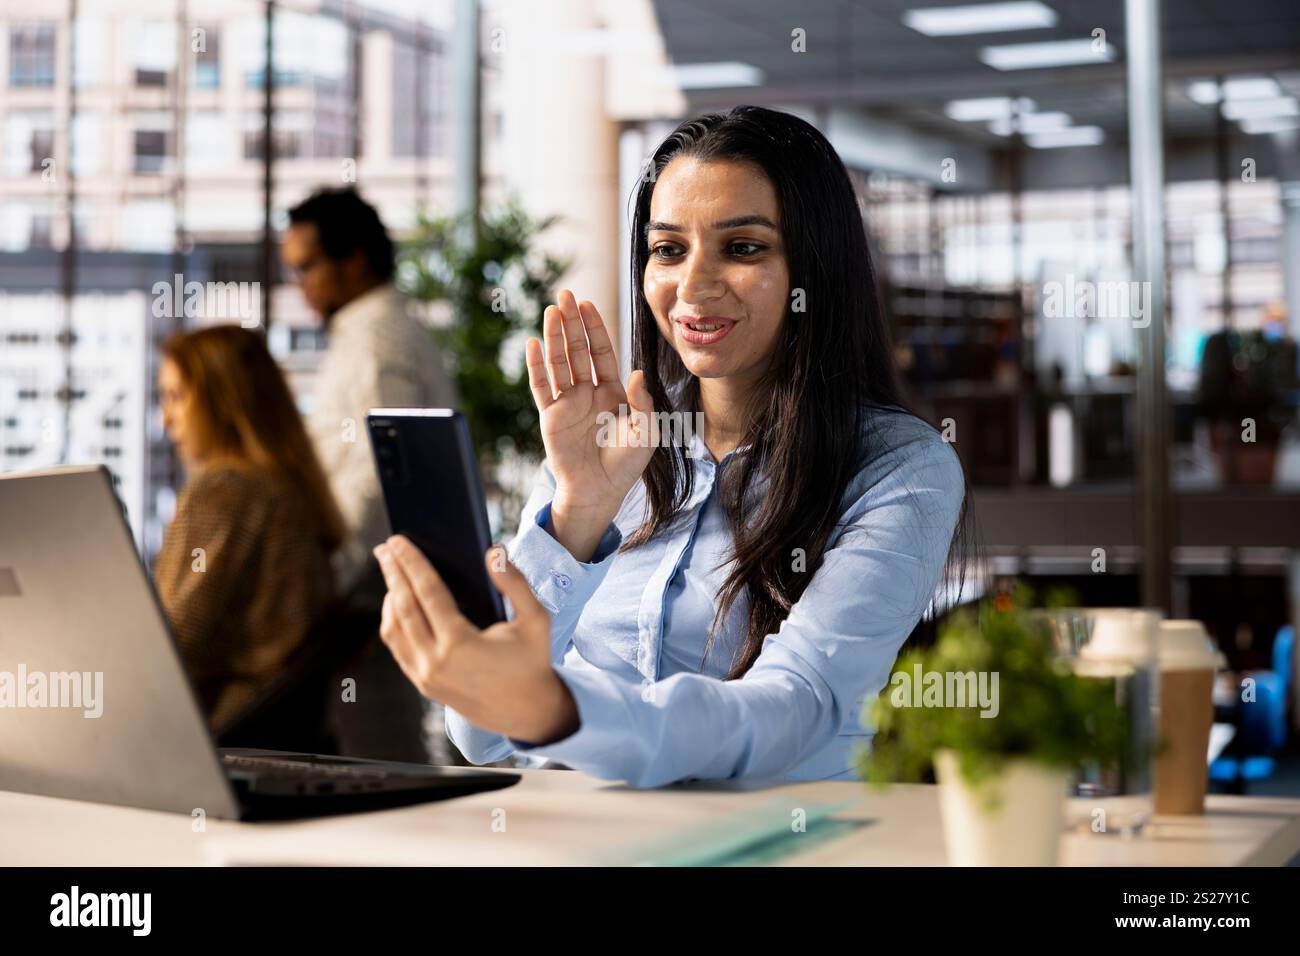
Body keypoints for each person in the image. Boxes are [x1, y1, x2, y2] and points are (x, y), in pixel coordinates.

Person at [373, 106, 973, 787]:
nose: (692, 286)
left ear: (816, 267)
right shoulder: (611, 443)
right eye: (668, 249)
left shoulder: (903, 468)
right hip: (585, 836)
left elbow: (796, 706)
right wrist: (577, 511)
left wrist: (556, 710)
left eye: (742, 247)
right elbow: (479, 732)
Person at [283, 186, 457, 762]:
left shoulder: (377, 340)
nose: (300, 285)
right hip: (372, 586)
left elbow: (381, 475)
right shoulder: (369, 332)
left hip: (369, 592)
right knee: (375, 757)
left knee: (379, 761)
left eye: (307, 267)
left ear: (355, 259)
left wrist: (322, 587)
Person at [155, 325, 345, 732]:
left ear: (224, 400)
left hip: (218, 738)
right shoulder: (288, 489)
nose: (165, 419)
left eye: (177, 397)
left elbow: (173, 643)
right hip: (283, 735)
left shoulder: (226, 489)